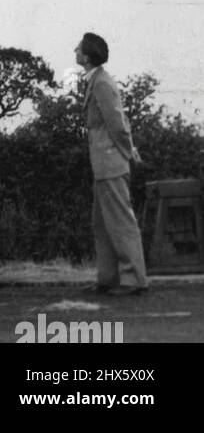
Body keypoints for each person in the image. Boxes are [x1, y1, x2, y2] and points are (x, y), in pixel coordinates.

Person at [76, 32, 148, 296]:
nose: (75, 50)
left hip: (110, 161)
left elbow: (117, 124)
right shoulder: (96, 80)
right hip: (103, 162)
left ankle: (134, 280)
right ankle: (108, 278)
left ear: (86, 55)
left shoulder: (102, 83)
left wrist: (129, 152)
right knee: (103, 223)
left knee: (119, 221)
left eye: (79, 48)